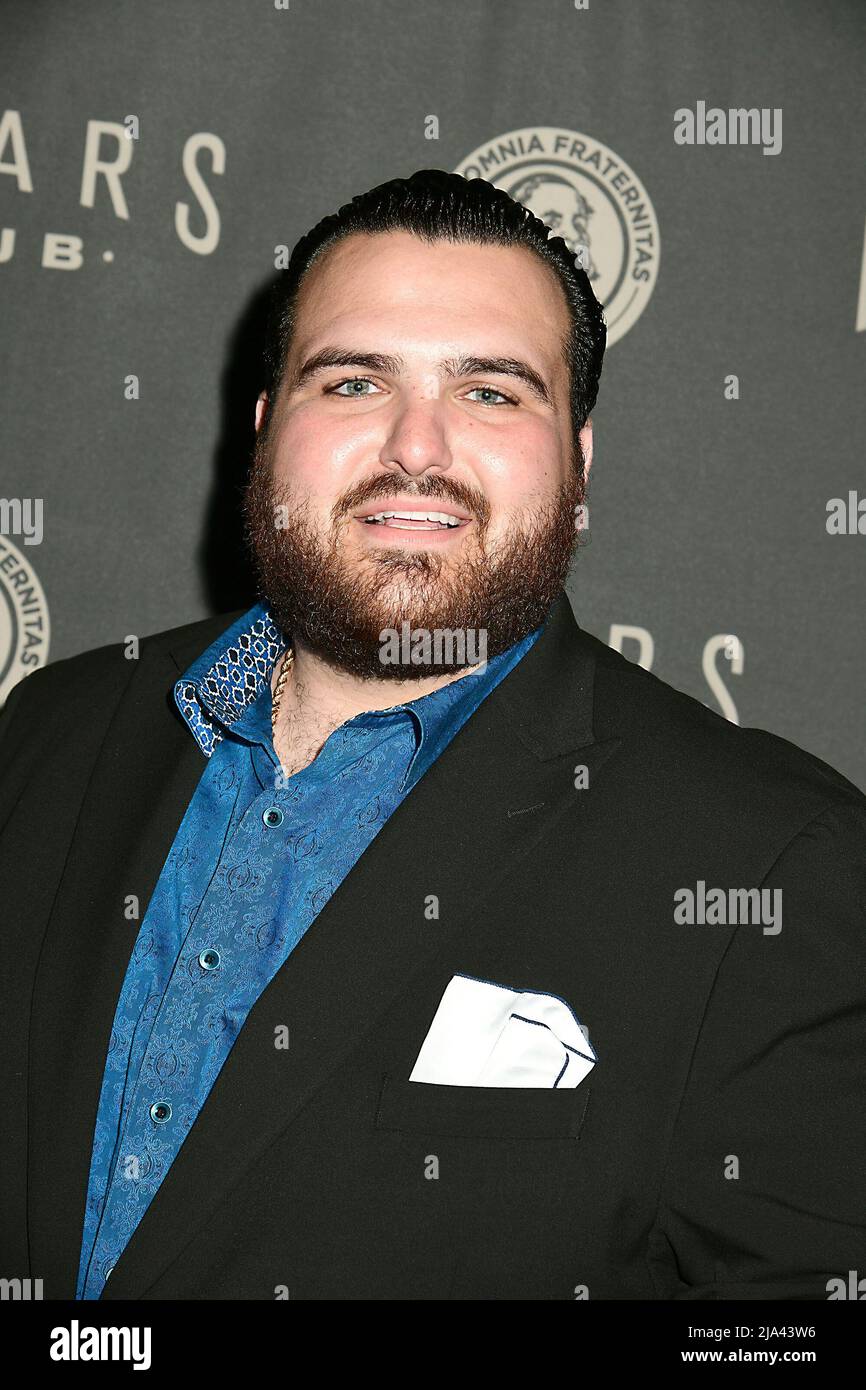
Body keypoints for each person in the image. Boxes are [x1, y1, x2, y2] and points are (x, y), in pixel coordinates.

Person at [1, 169, 863, 1302]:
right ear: (265, 432)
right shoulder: (50, 734)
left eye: (492, 393)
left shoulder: (771, 860)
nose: (417, 445)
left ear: (579, 457)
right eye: (354, 381)